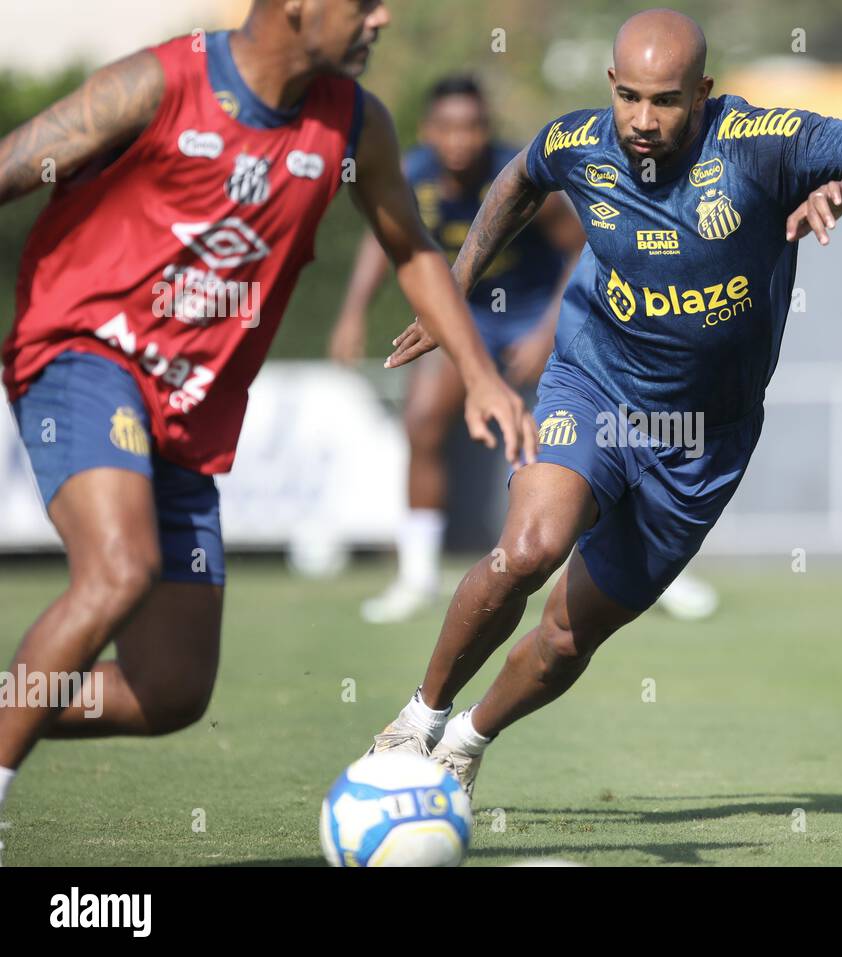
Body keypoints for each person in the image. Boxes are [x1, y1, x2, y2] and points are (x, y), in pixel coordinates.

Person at [0, 0, 533, 842]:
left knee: (171, 690)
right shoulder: (158, 82)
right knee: (119, 568)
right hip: (83, 356)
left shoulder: (356, 124)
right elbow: (11, 166)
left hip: (189, 413)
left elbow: (414, 249)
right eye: (363, 5)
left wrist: (479, 375)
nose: (381, 19)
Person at [367, 8, 842, 798]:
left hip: (706, 439)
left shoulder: (760, 143)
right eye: (628, 96)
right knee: (530, 547)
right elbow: (521, 176)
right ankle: (415, 720)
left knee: (568, 636)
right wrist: (456, 281)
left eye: (664, 100)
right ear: (610, 85)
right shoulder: (581, 143)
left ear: (701, 92)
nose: (641, 119)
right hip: (595, 385)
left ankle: (464, 744)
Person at [328, 74, 584, 624]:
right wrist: (352, 313)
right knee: (422, 419)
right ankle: (417, 576)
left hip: (536, 314)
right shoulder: (411, 175)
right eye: (447, 128)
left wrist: (546, 331)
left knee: (581, 431)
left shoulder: (520, 176)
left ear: (487, 130)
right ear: (427, 131)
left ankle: (630, 567)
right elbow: (384, 241)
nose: (459, 140)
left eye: (472, 127)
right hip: (465, 316)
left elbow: (581, 251)